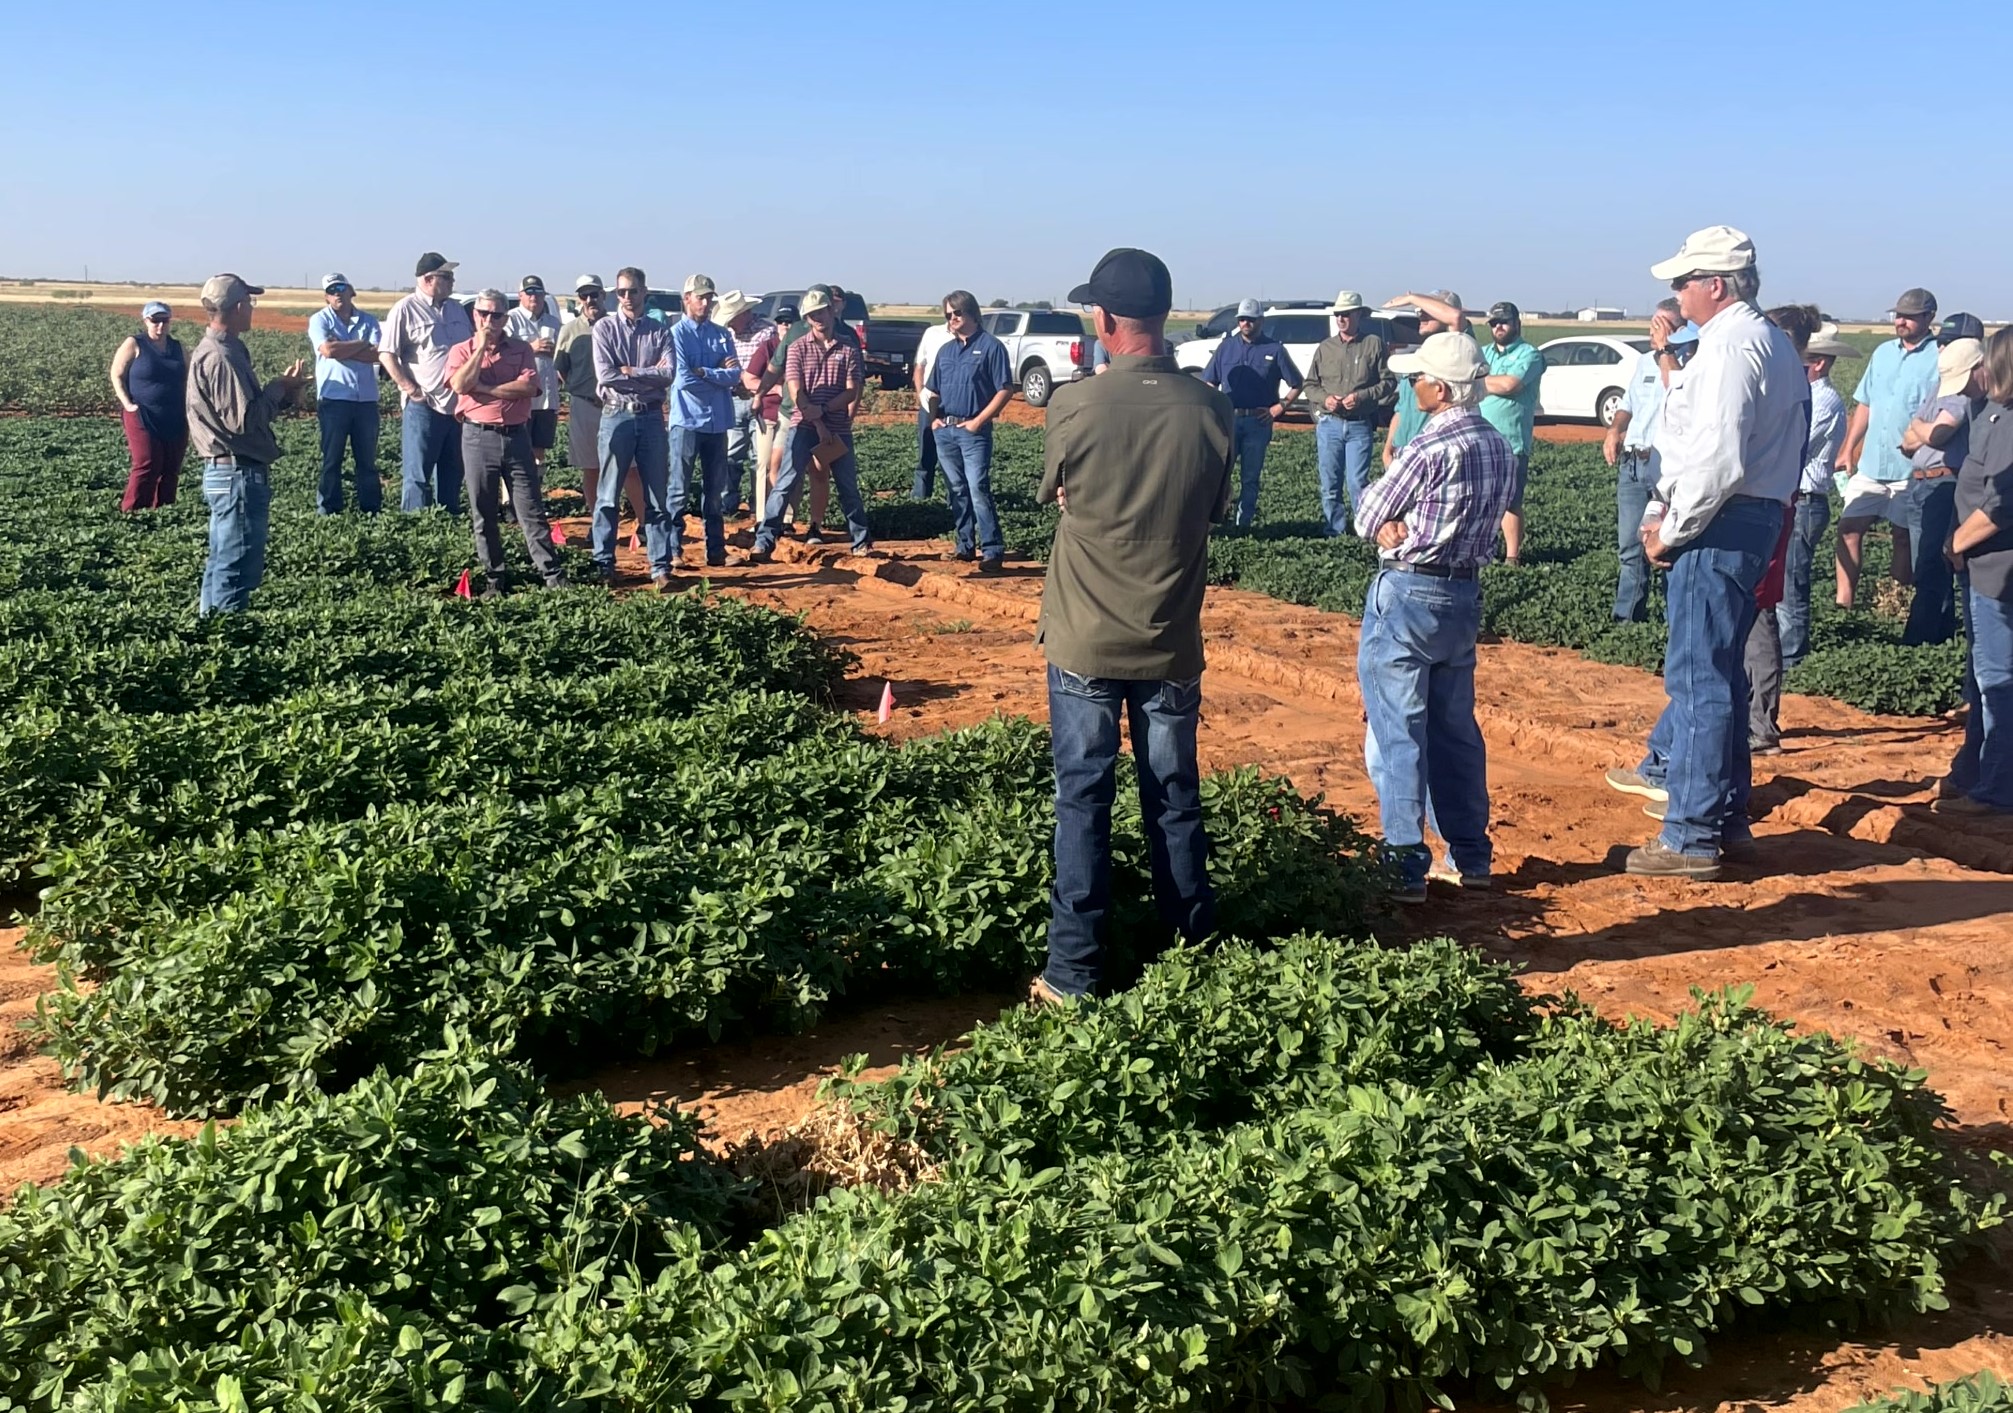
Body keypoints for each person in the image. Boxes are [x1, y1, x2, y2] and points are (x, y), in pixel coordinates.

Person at [1032, 247, 1231, 1003]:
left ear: (1104, 320)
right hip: (1171, 637)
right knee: (1173, 797)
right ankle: (1193, 960)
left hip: (1084, 634)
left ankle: (1073, 972)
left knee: (1082, 798)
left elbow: (1059, 496)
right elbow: (1208, 511)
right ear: (1163, 317)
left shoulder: (1073, 404)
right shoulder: (1209, 408)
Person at [1614, 225, 1807, 879]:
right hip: (1752, 518)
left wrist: (1670, 529)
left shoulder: (1730, 348)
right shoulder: (1767, 343)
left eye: (1683, 280)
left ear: (1715, 285)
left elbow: (1716, 457)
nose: (1675, 292)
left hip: (1719, 522)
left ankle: (1689, 836)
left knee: (1698, 680)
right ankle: (1727, 818)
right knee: (1719, 674)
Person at [1353, 331, 1520, 902]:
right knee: (1455, 732)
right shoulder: (1497, 444)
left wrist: (1385, 524)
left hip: (1407, 594)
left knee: (1398, 735)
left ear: (1440, 388)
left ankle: (1404, 867)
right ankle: (1470, 856)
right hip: (1462, 598)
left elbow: (1369, 509)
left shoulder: (1429, 447)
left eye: (1417, 377)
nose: (1410, 384)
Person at [184, 273, 306, 614]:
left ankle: (211, 633)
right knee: (235, 565)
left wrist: (280, 393)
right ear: (237, 308)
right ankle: (226, 642)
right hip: (236, 473)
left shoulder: (222, 350)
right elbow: (244, 420)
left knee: (224, 560)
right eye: (249, 303)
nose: (252, 309)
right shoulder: (221, 356)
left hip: (229, 473)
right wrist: (279, 388)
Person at [445, 290, 568, 596]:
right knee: (483, 511)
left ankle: (552, 575)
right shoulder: (461, 350)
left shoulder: (521, 349)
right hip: (477, 437)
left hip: (516, 436)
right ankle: (494, 578)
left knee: (531, 509)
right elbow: (460, 384)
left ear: (506, 317)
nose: (490, 320)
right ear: (475, 315)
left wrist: (484, 387)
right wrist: (480, 350)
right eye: (484, 314)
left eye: (497, 315)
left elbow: (528, 387)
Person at [1937, 328, 2013, 816]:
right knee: (1985, 675)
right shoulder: (1992, 413)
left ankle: (1997, 787)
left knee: (1997, 680)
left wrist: (1957, 543)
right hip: (1984, 568)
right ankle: (1975, 771)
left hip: (1993, 568)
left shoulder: (2007, 422)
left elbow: (2001, 503)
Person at [1745, 304, 1822, 757]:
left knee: (1759, 609)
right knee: (1755, 609)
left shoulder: (1791, 387)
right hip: (1775, 503)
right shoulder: (1791, 383)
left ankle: (1761, 725)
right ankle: (1754, 720)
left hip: (1774, 506)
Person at [746, 286, 873, 560]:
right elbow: (796, 391)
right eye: (812, 314)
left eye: (822, 311)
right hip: (803, 426)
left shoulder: (848, 348)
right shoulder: (797, 348)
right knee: (785, 481)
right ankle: (764, 540)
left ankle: (861, 540)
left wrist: (827, 410)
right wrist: (819, 422)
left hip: (837, 427)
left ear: (832, 311)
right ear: (806, 317)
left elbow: (852, 390)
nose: (818, 318)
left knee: (847, 484)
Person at [1835, 287, 1940, 609]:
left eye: (1910, 317)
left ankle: (1895, 602)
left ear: (1929, 318)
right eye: (1899, 316)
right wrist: (1848, 448)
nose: (1901, 322)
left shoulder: (1939, 357)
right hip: (1871, 463)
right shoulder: (1882, 353)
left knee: (1902, 536)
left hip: (1910, 467)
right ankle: (1844, 604)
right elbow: (1865, 403)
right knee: (1849, 529)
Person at [1603, 299, 1699, 621]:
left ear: (1679, 329)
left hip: (1666, 468)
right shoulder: (1643, 363)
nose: (1653, 330)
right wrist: (1615, 430)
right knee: (1630, 546)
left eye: (1663, 325)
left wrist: (1665, 352)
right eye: (1653, 323)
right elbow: (1627, 404)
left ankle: (1675, 622)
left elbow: (1682, 395)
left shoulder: (1690, 361)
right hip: (1633, 462)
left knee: (1669, 544)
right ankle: (1628, 619)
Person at [591, 267, 681, 589]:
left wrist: (630, 371)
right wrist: (646, 373)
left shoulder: (660, 330)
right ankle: (604, 563)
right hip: (616, 416)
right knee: (608, 495)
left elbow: (669, 373)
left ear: (644, 292)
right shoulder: (603, 328)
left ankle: (660, 566)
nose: (627, 297)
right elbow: (606, 376)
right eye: (621, 292)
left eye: (632, 291)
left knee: (657, 496)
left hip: (652, 418)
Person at [1900, 338, 1988, 647]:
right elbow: (1910, 439)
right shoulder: (1947, 387)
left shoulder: (1976, 401)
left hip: (1947, 481)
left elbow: (1936, 434)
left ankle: (1921, 641)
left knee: (1934, 564)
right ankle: (1939, 639)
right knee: (1932, 563)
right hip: (1925, 481)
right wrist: (1921, 430)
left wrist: (1919, 426)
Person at [1779, 325, 1853, 668]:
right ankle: (1784, 649)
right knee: (1785, 575)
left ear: (1819, 363)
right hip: (1797, 499)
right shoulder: (1807, 395)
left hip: (1806, 500)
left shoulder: (1823, 400)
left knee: (1792, 578)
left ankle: (1792, 655)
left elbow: (1796, 446)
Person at [926, 289, 1014, 572]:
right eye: (948, 315)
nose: (952, 318)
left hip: (974, 432)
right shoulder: (945, 350)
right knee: (957, 490)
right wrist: (933, 419)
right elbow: (933, 390)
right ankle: (965, 546)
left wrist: (979, 421)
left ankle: (992, 550)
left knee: (977, 488)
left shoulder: (991, 347)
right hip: (946, 431)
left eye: (957, 313)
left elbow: (1005, 389)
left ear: (972, 313)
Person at [380, 252, 473, 512]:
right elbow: (387, 353)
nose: (452, 281)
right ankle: (416, 528)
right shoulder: (405, 308)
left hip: (457, 405)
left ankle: (448, 522)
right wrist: (410, 389)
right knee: (418, 474)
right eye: (447, 276)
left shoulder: (456, 309)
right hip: (424, 404)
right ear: (428, 279)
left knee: (453, 471)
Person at [1201, 298, 1303, 527]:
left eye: (1251, 319)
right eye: (1242, 319)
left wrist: (1279, 408)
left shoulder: (1275, 349)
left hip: (1258, 424)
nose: (1246, 323)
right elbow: (1209, 381)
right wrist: (1215, 409)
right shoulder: (1226, 347)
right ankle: (1218, 521)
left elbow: (1297, 383)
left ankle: (1243, 526)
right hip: (1228, 422)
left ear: (1261, 321)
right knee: (1220, 475)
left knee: (1250, 478)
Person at [1299, 289, 1392, 537]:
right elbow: (1309, 385)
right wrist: (1325, 399)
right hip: (1329, 424)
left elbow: (1389, 382)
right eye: (1338, 314)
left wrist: (1361, 397)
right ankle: (1334, 532)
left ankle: (1363, 529)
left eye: (1346, 314)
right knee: (1329, 483)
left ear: (1360, 315)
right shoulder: (1325, 347)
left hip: (1360, 425)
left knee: (1357, 483)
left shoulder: (1374, 345)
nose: (1341, 319)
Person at [667, 274, 743, 568]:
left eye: (710, 297)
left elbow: (735, 375)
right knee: (678, 489)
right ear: (687, 299)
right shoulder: (676, 334)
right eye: (700, 297)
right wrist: (716, 375)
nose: (706, 302)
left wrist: (706, 373)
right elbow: (684, 379)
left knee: (714, 492)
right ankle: (674, 550)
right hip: (686, 422)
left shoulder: (722, 334)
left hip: (717, 422)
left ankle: (716, 552)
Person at [553, 275, 642, 524]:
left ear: (604, 295)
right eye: (584, 295)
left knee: (629, 468)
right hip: (584, 405)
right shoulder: (569, 330)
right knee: (590, 468)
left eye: (595, 294)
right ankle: (598, 523)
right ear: (579, 299)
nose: (590, 300)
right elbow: (562, 369)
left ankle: (646, 523)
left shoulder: (619, 325)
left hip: (618, 405)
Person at [306, 273, 382, 514]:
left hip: (366, 401)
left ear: (352, 291)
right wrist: (361, 343)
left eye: (341, 287)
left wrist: (344, 347)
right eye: (331, 290)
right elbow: (328, 350)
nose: (337, 293)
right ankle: (328, 510)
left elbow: (377, 354)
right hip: (334, 399)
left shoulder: (369, 320)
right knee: (331, 459)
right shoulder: (319, 320)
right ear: (326, 297)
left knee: (367, 461)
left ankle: (371, 510)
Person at [1477, 302, 1544, 566]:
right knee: (1481, 500)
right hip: (1480, 440)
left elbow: (1510, 385)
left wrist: (1480, 382)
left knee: (1510, 501)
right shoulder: (1483, 353)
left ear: (1517, 323)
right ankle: (1483, 550)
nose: (1498, 327)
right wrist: (1489, 382)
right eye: (1494, 323)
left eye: (1503, 321)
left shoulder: (1530, 355)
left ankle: (1512, 556)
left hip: (1511, 442)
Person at [108, 299, 187, 510]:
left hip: (175, 416)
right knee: (147, 463)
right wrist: (128, 404)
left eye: (165, 321)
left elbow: (191, 377)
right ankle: (133, 511)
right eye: (155, 321)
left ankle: (163, 512)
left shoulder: (178, 348)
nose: (160, 326)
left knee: (171, 468)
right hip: (143, 414)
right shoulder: (134, 344)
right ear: (146, 321)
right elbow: (116, 374)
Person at [1382, 290, 1465, 467]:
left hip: (1432, 453)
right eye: (1419, 311)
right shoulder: (1416, 357)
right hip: (1402, 452)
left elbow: (1455, 317)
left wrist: (1411, 298)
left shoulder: (1456, 354)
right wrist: (1388, 449)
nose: (1421, 315)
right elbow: (1401, 409)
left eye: (1429, 310)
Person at [717, 289, 777, 520]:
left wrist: (748, 381)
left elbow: (769, 368)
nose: (731, 322)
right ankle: (727, 504)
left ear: (745, 313)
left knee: (758, 457)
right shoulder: (726, 334)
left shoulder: (766, 332)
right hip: (733, 399)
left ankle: (758, 505)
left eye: (734, 316)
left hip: (759, 399)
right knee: (732, 454)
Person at [506, 276, 563, 474]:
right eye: (529, 293)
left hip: (547, 397)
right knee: (516, 450)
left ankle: (536, 493)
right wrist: (531, 347)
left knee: (539, 450)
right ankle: (509, 500)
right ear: (520, 295)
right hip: (522, 398)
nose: (534, 297)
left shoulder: (554, 322)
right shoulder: (511, 319)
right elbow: (503, 353)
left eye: (538, 293)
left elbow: (563, 355)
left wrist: (555, 353)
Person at [912, 308, 952, 497]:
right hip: (929, 403)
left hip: (954, 404)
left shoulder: (970, 338)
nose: (953, 317)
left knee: (951, 456)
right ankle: (921, 498)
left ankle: (955, 499)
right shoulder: (933, 333)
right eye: (950, 312)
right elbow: (920, 366)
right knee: (925, 453)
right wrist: (921, 395)